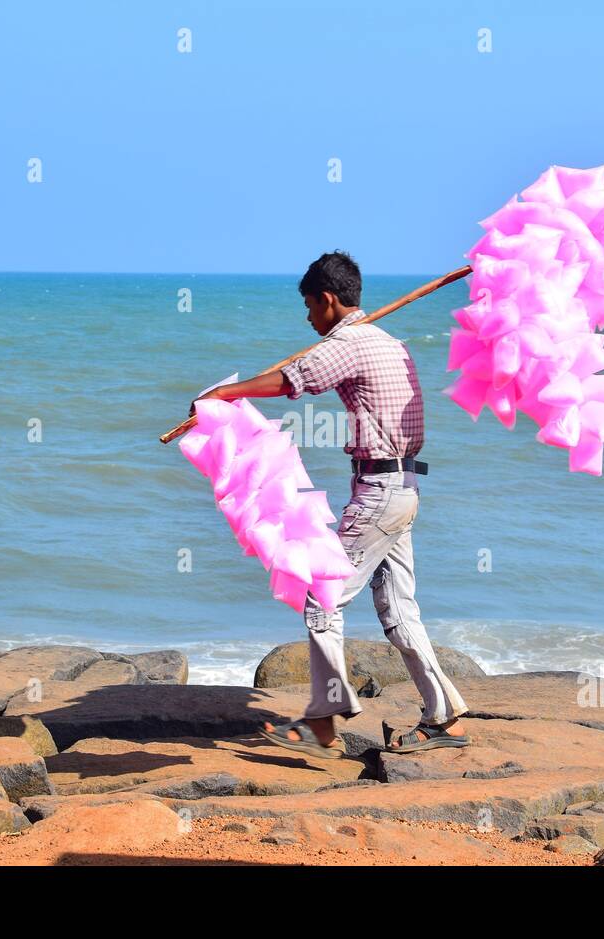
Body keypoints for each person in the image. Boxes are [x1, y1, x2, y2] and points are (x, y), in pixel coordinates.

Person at [190, 251, 469, 759]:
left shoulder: (351, 342)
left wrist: (227, 394)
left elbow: (294, 379)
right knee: (398, 609)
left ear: (327, 300)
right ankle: (442, 716)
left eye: (308, 307)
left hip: (380, 492)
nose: (308, 320)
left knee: (322, 595)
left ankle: (324, 717)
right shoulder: (387, 342)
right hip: (402, 489)